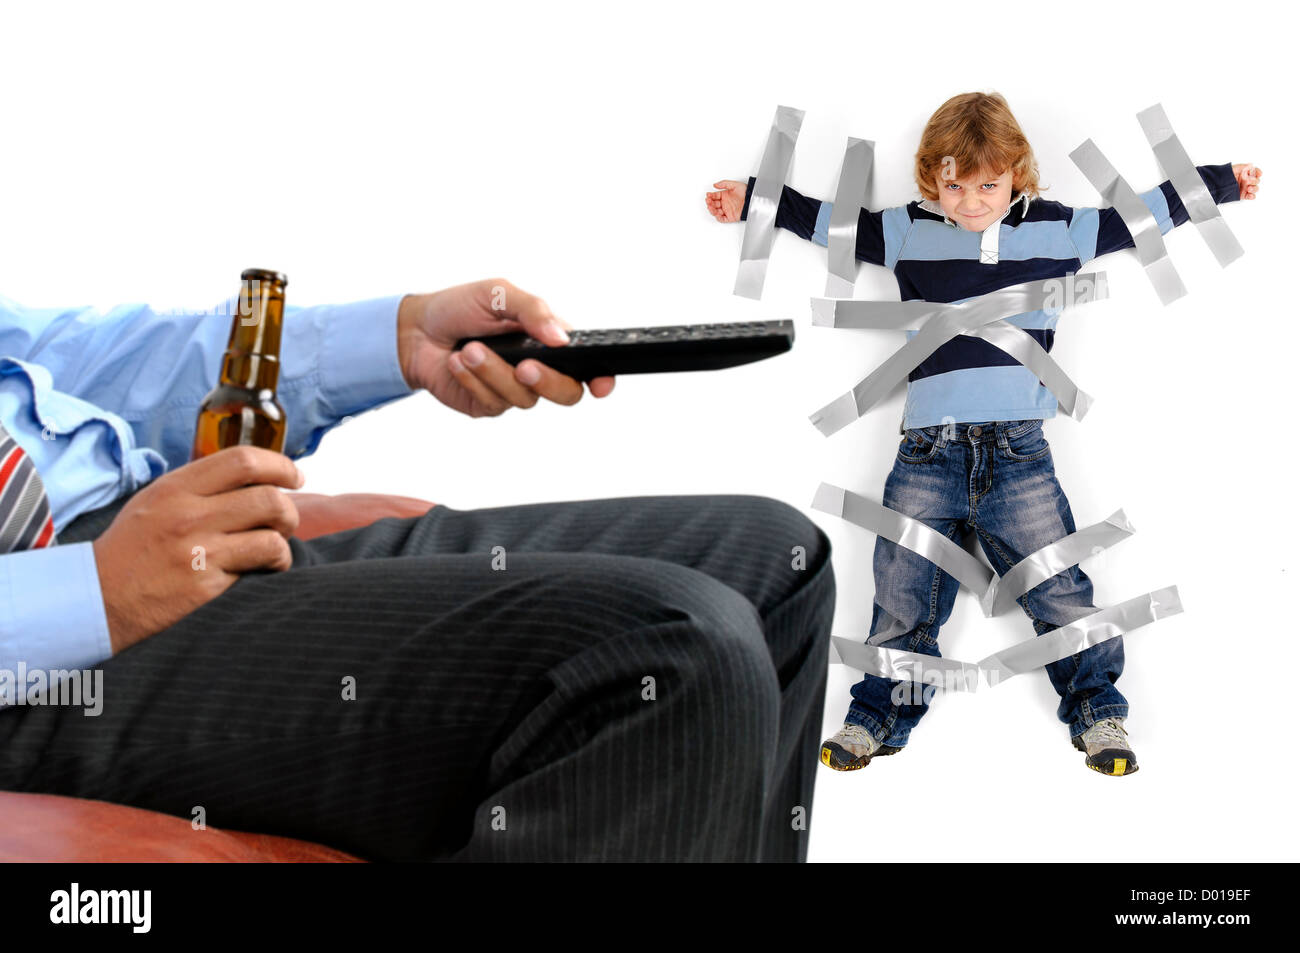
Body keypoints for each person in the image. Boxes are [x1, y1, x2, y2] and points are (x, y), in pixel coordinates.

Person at [0, 276, 835, 861]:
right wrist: (98, 592)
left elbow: (54, 358)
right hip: (43, 648)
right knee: (672, 647)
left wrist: (402, 337)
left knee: (773, 560)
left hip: (139, 533)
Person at [707, 91, 1261, 777]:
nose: (972, 201)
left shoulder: (1056, 232)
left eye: (988, 185)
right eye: (955, 184)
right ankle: (875, 714)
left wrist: (1218, 184)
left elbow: (1139, 216)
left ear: (1018, 173)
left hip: (1018, 454)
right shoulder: (909, 231)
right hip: (926, 454)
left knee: (1058, 588)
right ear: (931, 179)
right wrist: (756, 197)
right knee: (902, 593)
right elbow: (829, 224)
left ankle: (1097, 710)